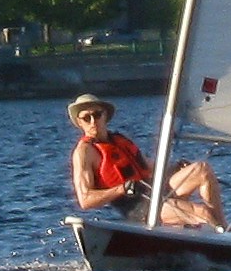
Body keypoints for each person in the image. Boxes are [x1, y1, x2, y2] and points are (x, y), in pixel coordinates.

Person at [67, 95, 219, 229]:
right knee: (203, 213)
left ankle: (224, 231)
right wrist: (122, 188)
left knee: (201, 169)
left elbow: (148, 168)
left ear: (105, 116)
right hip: (139, 208)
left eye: (97, 115)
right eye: (87, 118)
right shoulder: (84, 152)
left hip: (156, 192)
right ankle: (222, 240)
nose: (93, 121)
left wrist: (175, 168)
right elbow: (85, 200)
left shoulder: (120, 140)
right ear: (80, 123)